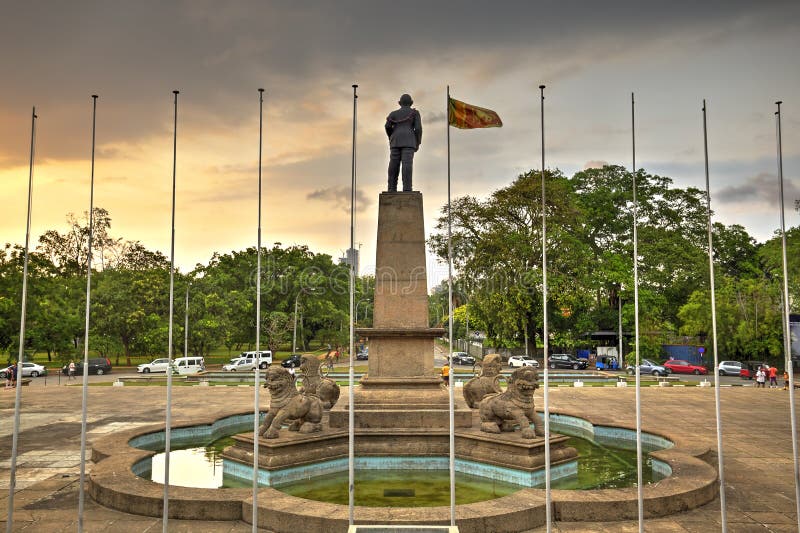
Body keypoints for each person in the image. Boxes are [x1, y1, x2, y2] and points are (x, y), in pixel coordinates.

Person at [385, 93, 422, 192]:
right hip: (409, 141)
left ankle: (391, 188)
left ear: (399, 103)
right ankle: (407, 188)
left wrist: (391, 136)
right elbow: (418, 128)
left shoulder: (393, 114)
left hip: (395, 141)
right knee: (407, 164)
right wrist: (418, 142)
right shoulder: (415, 113)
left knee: (393, 163)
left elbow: (387, 126)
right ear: (411, 103)